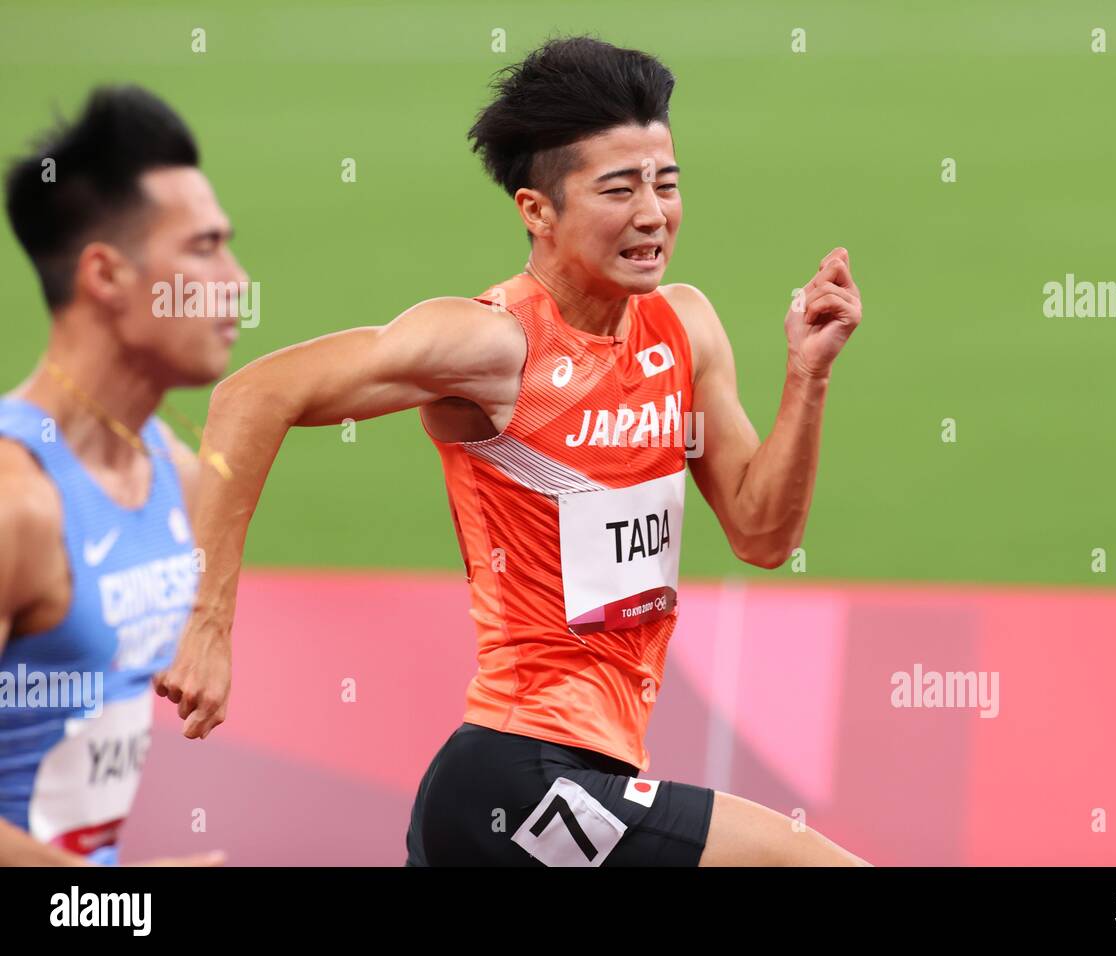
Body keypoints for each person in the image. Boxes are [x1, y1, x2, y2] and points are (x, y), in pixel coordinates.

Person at [156, 36, 867, 865]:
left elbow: (762, 533)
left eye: (665, 183)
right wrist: (207, 620)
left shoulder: (684, 329)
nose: (652, 213)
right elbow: (252, 396)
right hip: (517, 775)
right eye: (618, 188)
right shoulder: (493, 346)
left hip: (591, 774)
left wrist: (806, 378)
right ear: (537, 209)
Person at [0, 86, 239, 866]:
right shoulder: (16, 502)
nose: (237, 282)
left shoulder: (174, 472)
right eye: (203, 249)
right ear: (105, 275)